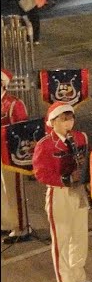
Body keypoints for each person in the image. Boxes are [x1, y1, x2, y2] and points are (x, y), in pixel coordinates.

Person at [34, 102, 92, 282]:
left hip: (79, 190)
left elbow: (89, 159)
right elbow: (41, 173)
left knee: (80, 234)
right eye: (63, 119)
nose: (68, 123)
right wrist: (66, 178)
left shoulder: (80, 137)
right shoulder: (45, 144)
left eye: (70, 119)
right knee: (62, 237)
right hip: (59, 192)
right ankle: (66, 280)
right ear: (53, 122)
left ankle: (79, 273)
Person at [1, 70, 31, 242]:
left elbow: (21, 132)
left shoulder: (13, 104)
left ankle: (21, 227)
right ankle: (6, 223)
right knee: (2, 192)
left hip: (10, 156)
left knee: (14, 192)